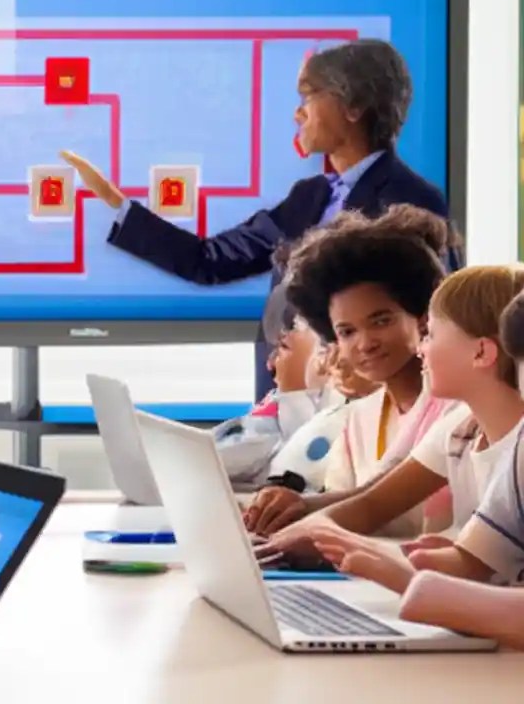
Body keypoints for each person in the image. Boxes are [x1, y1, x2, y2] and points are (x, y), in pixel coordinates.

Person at [60, 38, 458, 399]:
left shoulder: (411, 200)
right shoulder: (309, 197)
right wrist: (116, 203)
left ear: (353, 106)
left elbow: (434, 326)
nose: (298, 114)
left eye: (309, 96)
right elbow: (211, 259)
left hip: (363, 416)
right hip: (286, 409)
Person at [265, 264, 524, 569]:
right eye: (346, 331)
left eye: (430, 335)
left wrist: (356, 550)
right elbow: (372, 503)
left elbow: (472, 565)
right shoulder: (459, 429)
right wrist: (279, 540)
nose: (420, 348)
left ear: (481, 353)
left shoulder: (514, 449)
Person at [244, 205, 457, 537]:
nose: (365, 343)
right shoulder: (359, 418)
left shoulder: (455, 405)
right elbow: (342, 500)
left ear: (422, 317)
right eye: (347, 331)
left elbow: (382, 505)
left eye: (381, 321)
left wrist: (302, 512)